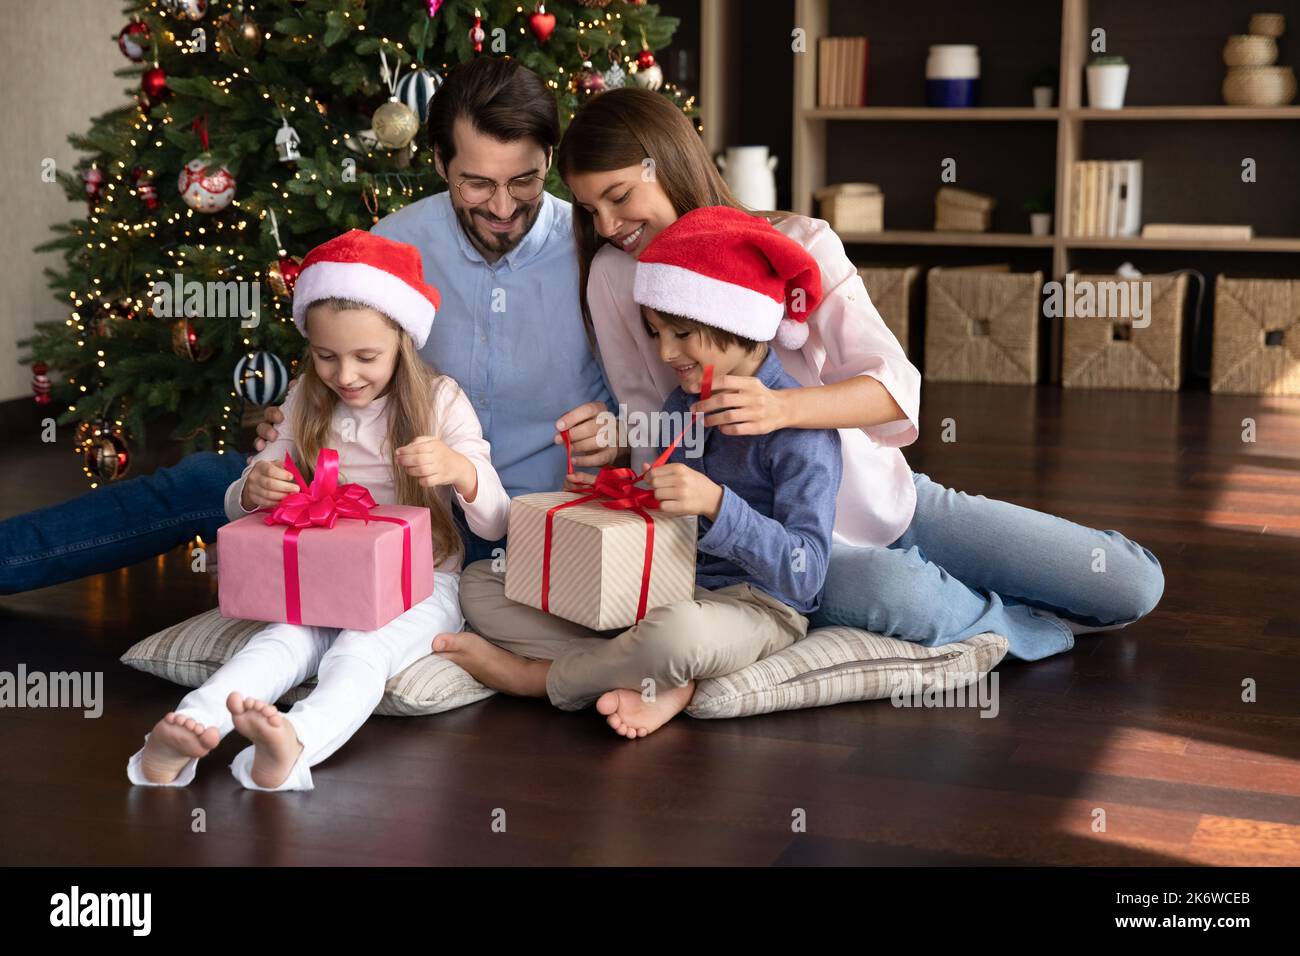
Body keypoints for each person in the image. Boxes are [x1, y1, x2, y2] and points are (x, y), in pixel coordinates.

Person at [502, 87, 1165, 662]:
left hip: (885, 505)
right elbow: (652, 418)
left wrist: (781, 411)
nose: (610, 226)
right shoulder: (618, 279)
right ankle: (1011, 626)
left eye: (619, 198)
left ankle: (958, 590)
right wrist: (617, 438)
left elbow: (892, 387)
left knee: (1129, 586)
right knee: (896, 591)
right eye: (591, 211)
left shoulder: (802, 243)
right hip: (777, 552)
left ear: (667, 163)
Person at [0, 56, 611, 594]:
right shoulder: (392, 242)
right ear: (438, 162)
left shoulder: (596, 251)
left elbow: (649, 391)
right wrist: (298, 419)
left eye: (523, 181)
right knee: (200, 482)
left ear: (550, 159)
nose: (502, 208)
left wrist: (619, 432)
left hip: (531, 521)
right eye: (476, 183)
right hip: (378, 512)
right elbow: (343, 357)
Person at [126, 230, 509, 791]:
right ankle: (178, 738)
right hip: (324, 577)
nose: (346, 375)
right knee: (279, 643)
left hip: (422, 584)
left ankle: (293, 745)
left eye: (366, 357)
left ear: (402, 340)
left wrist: (460, 470)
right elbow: (241, 502)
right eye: (327, 356)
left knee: (361, 651)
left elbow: (497, 522)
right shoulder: (308, 397)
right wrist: (254, 488)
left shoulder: (442, 401)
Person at [443, 207, 842, 738]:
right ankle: (651, 676)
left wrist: (718, 506)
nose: (665, 352)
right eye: (655, 333)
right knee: (484, 583)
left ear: (738, 322)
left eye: (681, 333)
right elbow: (657, 518)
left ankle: (540, 679)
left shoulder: (801, 430)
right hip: (661, 591)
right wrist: (611, 493)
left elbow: (807, 576)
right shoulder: (681, 406)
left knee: (676, 637)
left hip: (756, 607)